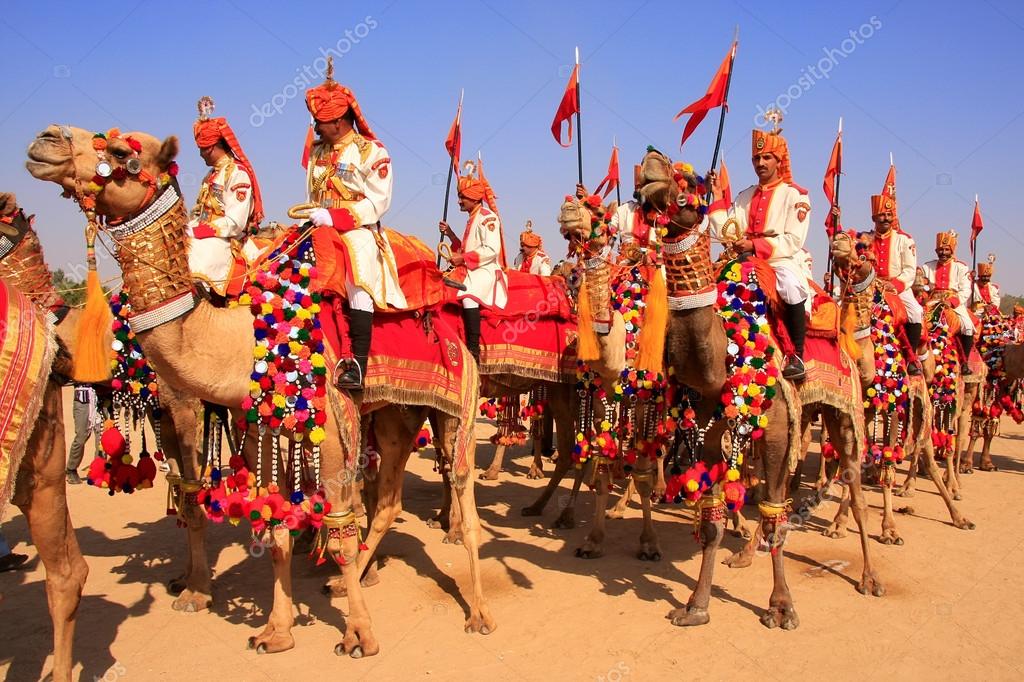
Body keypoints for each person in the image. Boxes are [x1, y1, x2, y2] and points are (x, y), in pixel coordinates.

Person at [303, 61, 407, 389]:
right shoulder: (318, 151)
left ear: (338, 120)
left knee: (357, 274)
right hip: (320, 225)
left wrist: (338, 217)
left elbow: (378, 201)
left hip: (359, 229)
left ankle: (356, 365)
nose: (315, 128)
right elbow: (313, 191)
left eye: (320, 122)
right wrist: (318, 216)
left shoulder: (371, 151)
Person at [707, 114, 811, 381]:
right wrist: (718, 198)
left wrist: (755, 244)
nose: (761, 163)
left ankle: (796, 355)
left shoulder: (795, 195)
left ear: (779, 161)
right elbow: (726, 231)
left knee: (790, 286)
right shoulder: (744, 196)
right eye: (757, 158)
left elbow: (793, 240)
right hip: (743, 259)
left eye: (767, 158)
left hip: (779, 259)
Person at [187, 97, 263, 298]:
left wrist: (198, 231)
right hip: (205, 235)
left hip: (228, 240)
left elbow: (234, 223)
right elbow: (200, 212)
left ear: (211, 147)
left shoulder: (237, 174)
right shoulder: (210, 176)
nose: (201, 155)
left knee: (195, 258)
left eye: (202, 149)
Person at [438, 160, 508, 361]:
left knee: (467, 296)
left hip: (486, 269)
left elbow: (491, 250)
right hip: (472, 268)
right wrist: (451, 235)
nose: (459, 201)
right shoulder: (472, 218)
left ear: (473, 198)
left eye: (462, 198)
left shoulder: (488, 217)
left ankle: (473, 351)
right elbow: (466, 249)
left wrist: (463, 258)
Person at [868, 193, 924, 374]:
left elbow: (909, 269)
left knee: (916, 312)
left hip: (897, 287)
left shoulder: (905, 239)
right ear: (874, 217)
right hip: (870, 285)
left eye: (889, 215)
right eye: (882, 215)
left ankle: (911, 358)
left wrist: (896, 285)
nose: (885, 219)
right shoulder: (865, 239)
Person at [919, 230, 976, 373]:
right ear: (936, 250)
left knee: (967, 326)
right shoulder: (927, 267)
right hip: (932, 301)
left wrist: (952, 302)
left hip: (953, 302)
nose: (943, 252)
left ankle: (964, 363)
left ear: (952, 250)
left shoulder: (961, 267)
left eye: (946, 249)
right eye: (940, 250)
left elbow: (966, 290)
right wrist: (925, 297)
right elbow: (922, 286)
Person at [66, 383, 102, 484]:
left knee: (102, 438)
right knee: (81, 437)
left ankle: (98, 471)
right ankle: (71, 469)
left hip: (101, 397)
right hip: (82, 399)